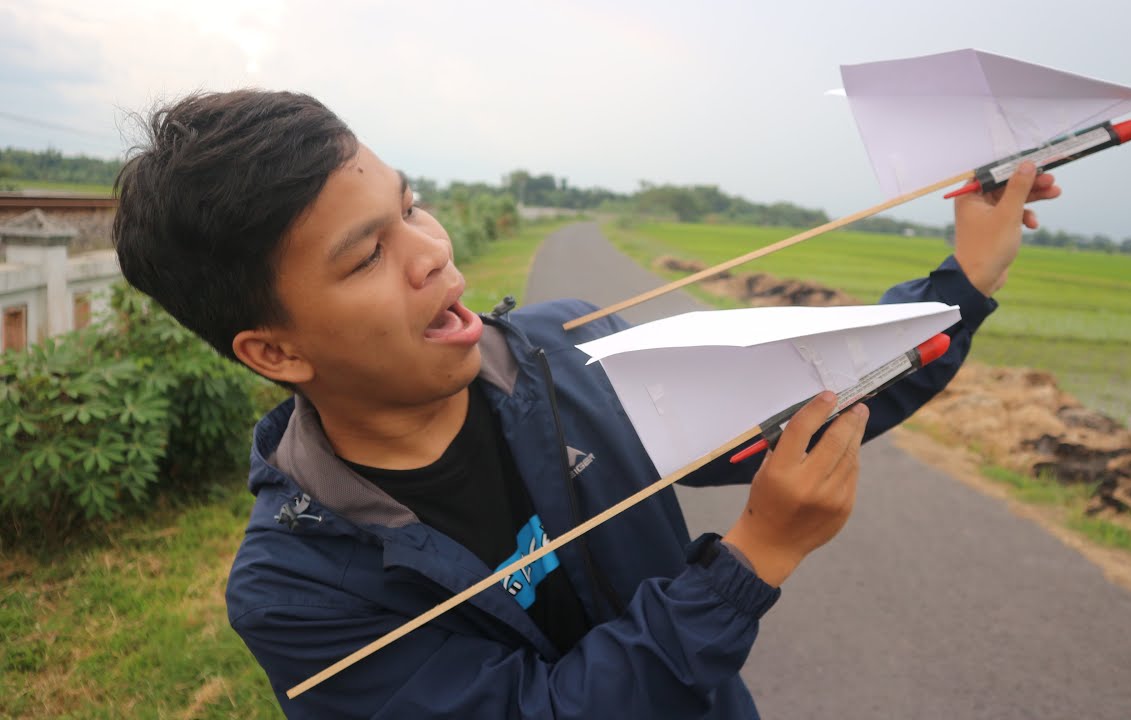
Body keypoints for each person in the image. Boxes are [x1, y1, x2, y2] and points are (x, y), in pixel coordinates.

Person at [112, 89, 1060, 719]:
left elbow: (813, 392)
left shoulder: (567, 351)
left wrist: (966, 278)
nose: (431, 251)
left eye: (411, 206)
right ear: (275, 350)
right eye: (367, 256)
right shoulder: (299, 591)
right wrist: (752, 561)